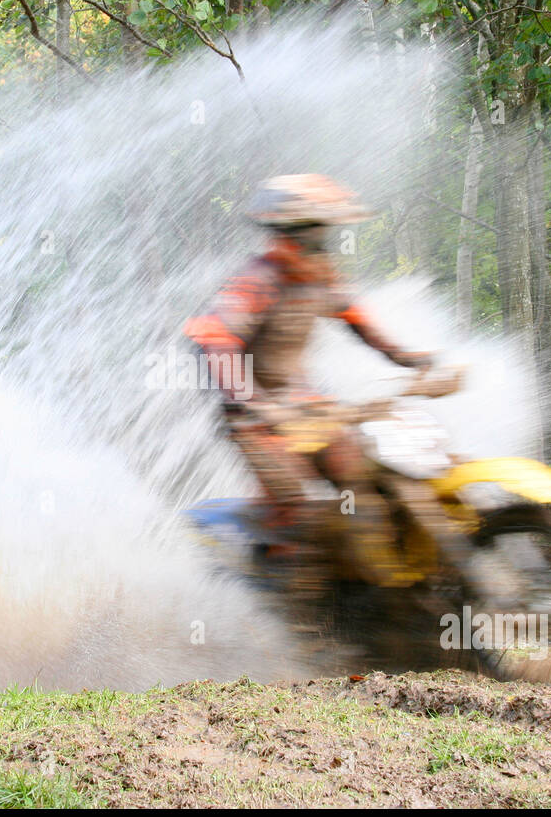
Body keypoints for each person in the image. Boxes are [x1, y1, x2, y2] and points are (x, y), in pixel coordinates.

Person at [184, 174, 452, 588]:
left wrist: (406, 357)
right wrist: (253, 401)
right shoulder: (257, 280)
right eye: (313, 233)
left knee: (362, 473)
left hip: (305, 405)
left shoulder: (320, 275)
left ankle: (383, 578)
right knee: (295, 503)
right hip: (255, 417)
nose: (321, 243)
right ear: (288, 234)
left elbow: (357, 321)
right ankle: (292, 594)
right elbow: (214, 339)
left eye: (323, 233)